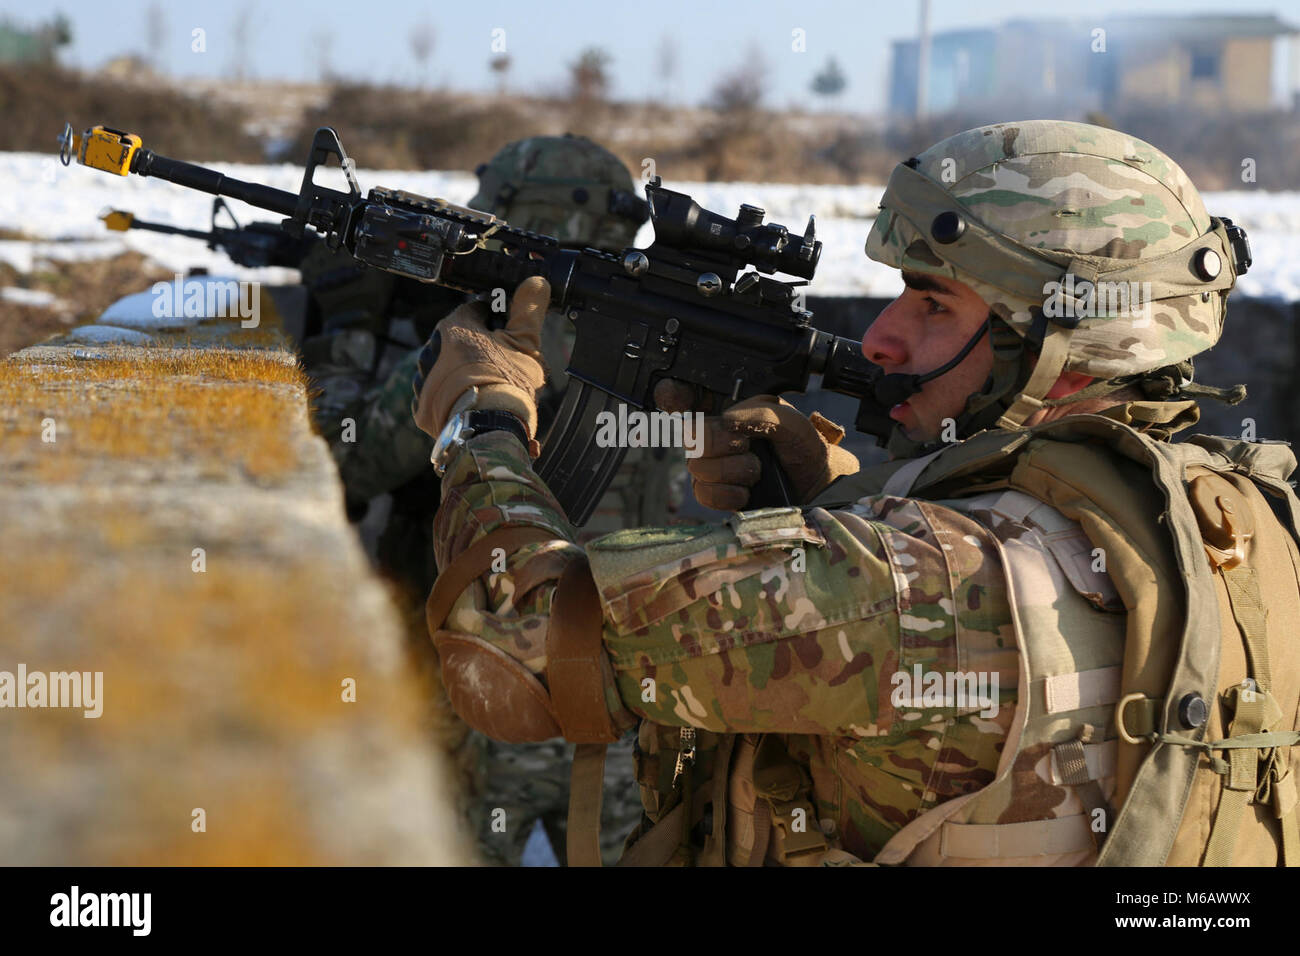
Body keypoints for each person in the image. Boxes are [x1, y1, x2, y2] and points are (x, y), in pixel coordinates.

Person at [411, 119, 1300, 867]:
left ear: (1064, 339)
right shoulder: (1249, 520)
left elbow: (516, 643)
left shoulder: (905, 586)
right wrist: (831, 496)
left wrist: (479, 419)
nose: (876, 338)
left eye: (933, 305)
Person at [334, 134, 672, 866]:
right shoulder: (671, 343)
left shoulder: (482, 343)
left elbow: (350, 464)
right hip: (627, 710)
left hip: (492, 695)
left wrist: (347, 336)